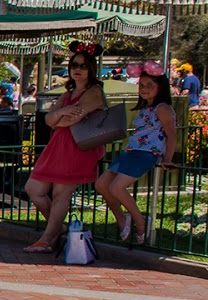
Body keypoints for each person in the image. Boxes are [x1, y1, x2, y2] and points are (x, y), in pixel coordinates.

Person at [23, 42, 108, 254]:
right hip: (58, 145)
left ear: (91, 69)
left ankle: (47, 239)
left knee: (61, 193)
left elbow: (67, 119)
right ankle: (57, 228)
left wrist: (59, 116)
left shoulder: (94, 91)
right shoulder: (67, 94)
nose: (78, 69)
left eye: (83, 66)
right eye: (74, 65)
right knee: (34, 189)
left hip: (78, 147)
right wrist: (62, 114)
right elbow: (49, 119)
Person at [96, 62, 177, 244]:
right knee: (102, 184)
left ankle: (140, 221)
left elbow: (172, 135)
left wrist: (168, 158)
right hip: (131, 151)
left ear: (160, 88)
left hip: (146, 153)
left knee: (117, 187)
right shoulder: (146, 108)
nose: (145, 89)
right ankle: (123, 218)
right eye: (142, 85)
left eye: (150, 86)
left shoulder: (162, 108)